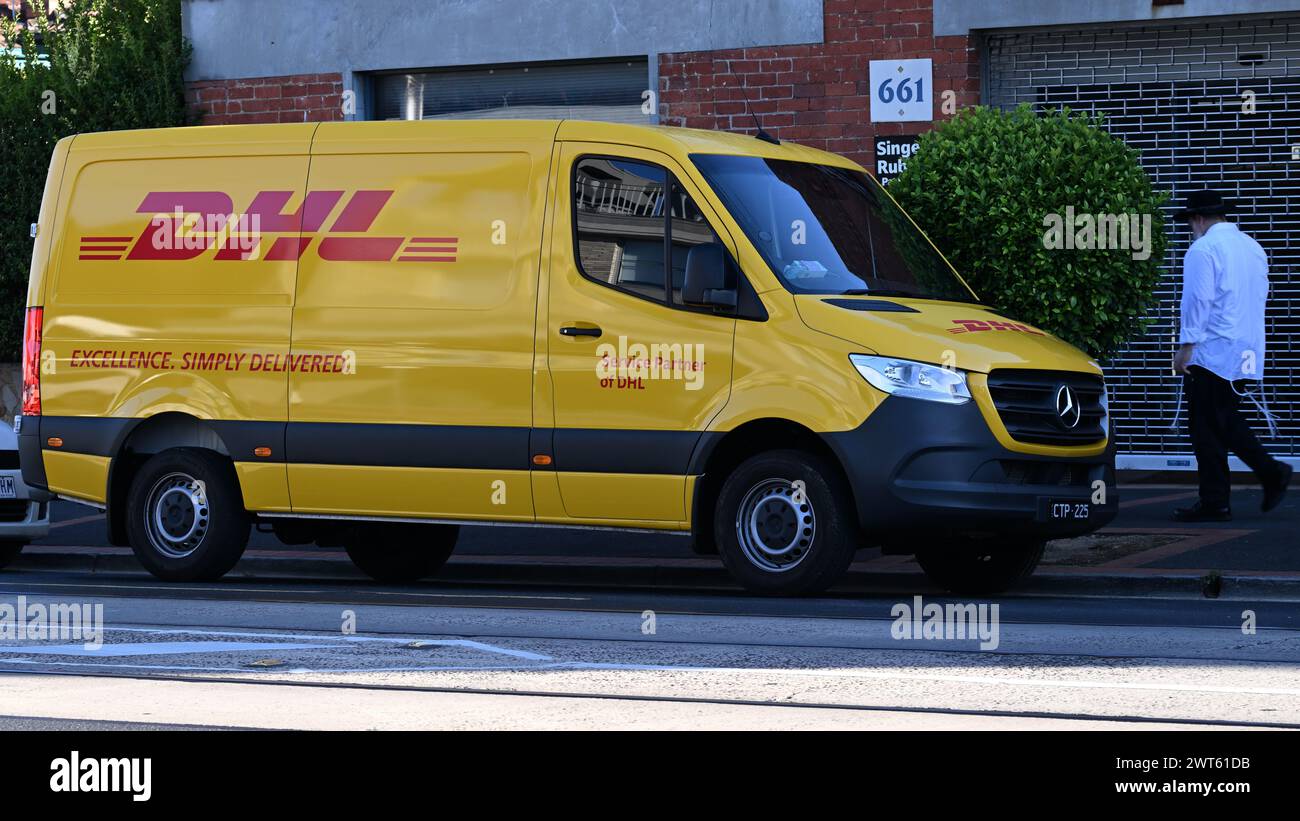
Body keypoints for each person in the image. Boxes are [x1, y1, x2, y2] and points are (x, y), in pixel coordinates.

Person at [1171, 190, 1291, 522]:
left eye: (1190, 223)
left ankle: (1268, 472)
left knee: (1211, 423)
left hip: (1212, 351)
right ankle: (1217, 500)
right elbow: (1260, 296)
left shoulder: (1203, 249)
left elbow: (1197, 301)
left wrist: (1186, 347)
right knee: (1217, 420)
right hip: (1247, 348)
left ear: (1197, 219)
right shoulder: (1253, 247)